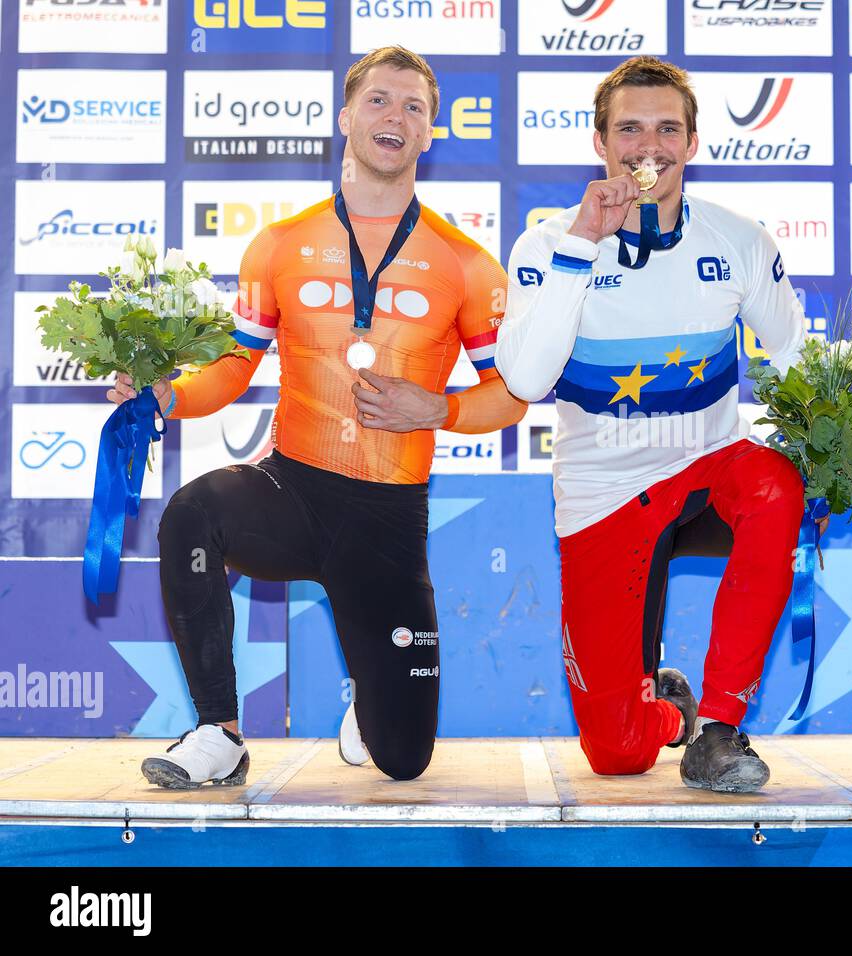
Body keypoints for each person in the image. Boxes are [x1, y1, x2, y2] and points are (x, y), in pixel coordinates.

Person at [109, 46, 525, 788]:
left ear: (431, 134)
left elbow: (512, 394)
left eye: (414, 108)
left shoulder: (468, 265)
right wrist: (169, 397)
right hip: (290, 490)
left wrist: (442, 408)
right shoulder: (280, 245)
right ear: (345, 116)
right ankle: (218, 732)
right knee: (191, 513)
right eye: (378, 101)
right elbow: (235, 367)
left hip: (388, 517)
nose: (394, 117)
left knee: (403, 761)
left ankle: (374, 700)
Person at [495, 56, 807, 793]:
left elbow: (797, 366)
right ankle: (672, 714)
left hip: (707, 469)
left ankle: (723, 728)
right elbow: (526, 380)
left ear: (692, 143)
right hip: (604, 492)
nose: (648, 146)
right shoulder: (547, 246)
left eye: (668, 128)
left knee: (775, 482)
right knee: (617, 754)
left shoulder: (739, 240)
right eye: (629, 128)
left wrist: (846, 454)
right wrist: (583, 243)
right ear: (600, 141)